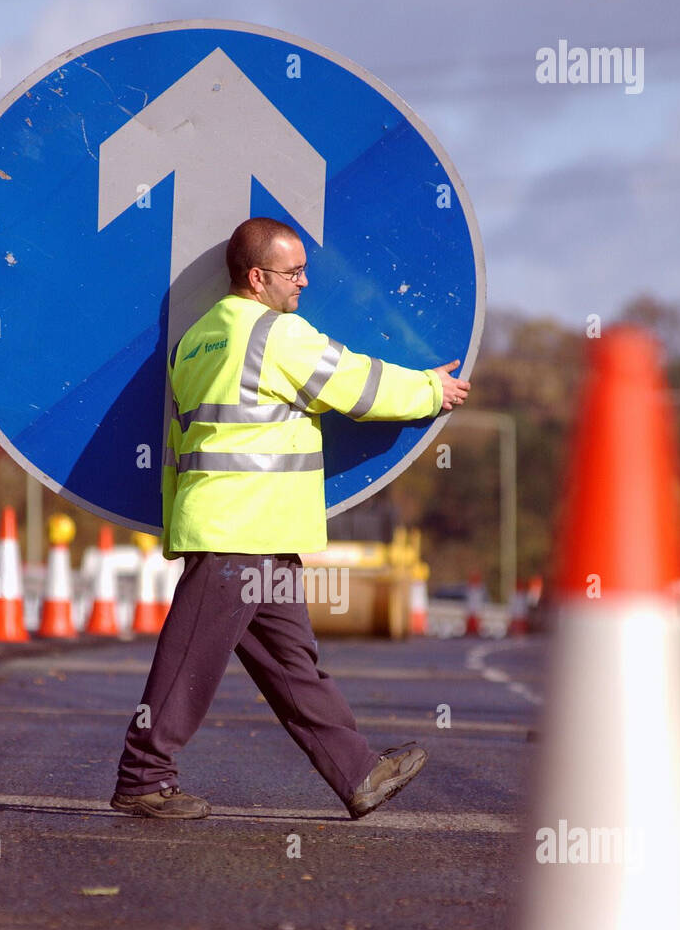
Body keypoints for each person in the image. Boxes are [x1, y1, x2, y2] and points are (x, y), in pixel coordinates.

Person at [111, 217, 470, 821]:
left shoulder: (195, 340)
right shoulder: (274, 335)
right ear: (257, 277)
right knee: (190, 659)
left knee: (291, 664)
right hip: (239, 529)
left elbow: (179, 444)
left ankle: (356, 773)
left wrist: (179, 530)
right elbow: (356, 382)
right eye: (293, 271)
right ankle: (143, 777)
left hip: (247, 527)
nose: (304, 281)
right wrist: (431, 391)